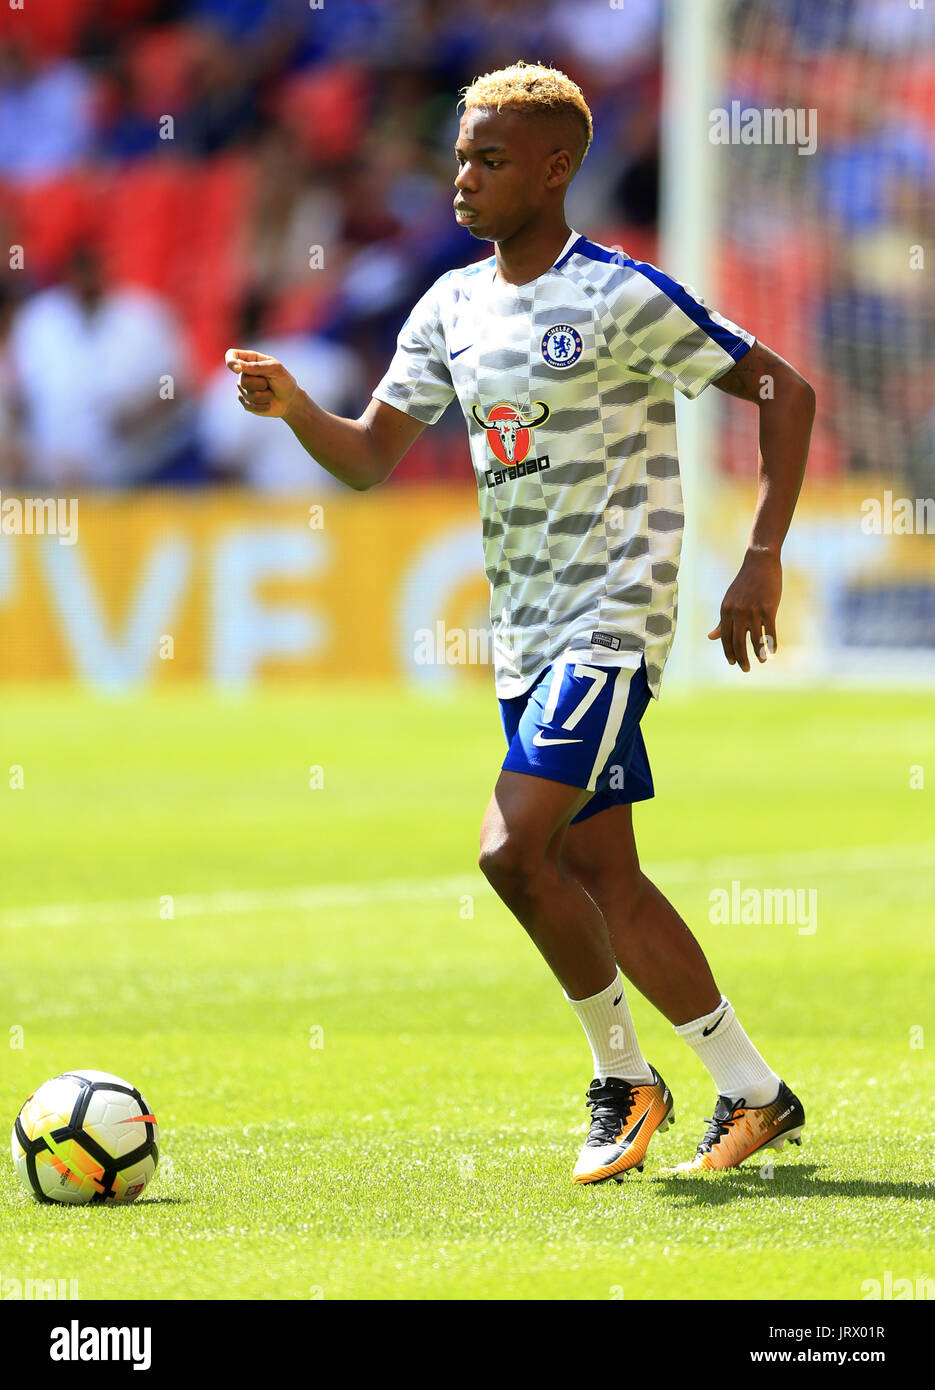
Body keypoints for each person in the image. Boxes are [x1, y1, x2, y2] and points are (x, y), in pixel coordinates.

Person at [225, 61, 815, 1183]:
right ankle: (754, 1092)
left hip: (612, 617)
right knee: (603, 876)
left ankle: (622, 1078)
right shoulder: (449, 305)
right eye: (459, 154)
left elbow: (788, 392)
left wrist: (760, 556)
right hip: (525, 633)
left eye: (489, 159)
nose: (462, 177)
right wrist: (297, 405)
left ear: (554, 170)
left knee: (509, 848)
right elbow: (367, 458)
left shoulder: (618, 296)